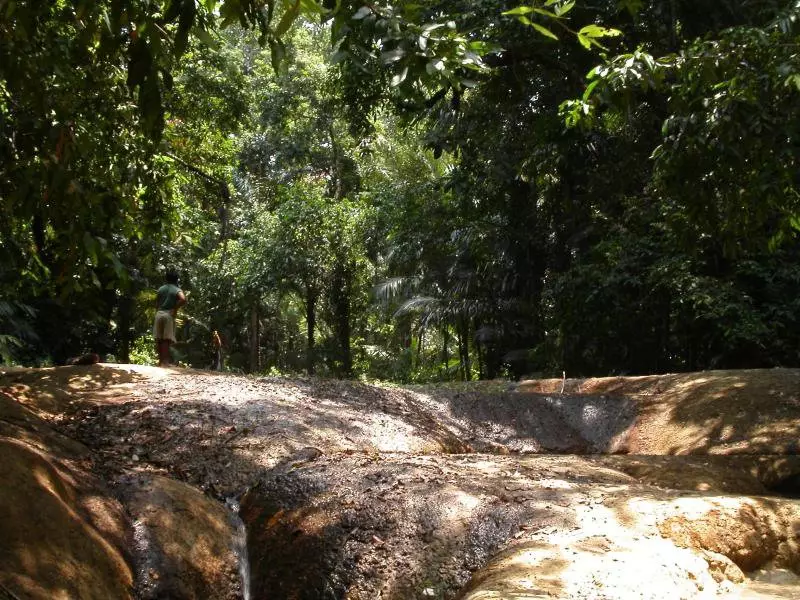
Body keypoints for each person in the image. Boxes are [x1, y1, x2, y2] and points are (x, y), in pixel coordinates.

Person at [153, 270, 186, 367]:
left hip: (159, 313)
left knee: (159, 338)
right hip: (168, 314)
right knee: (166, 339)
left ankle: (160, 362)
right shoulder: (176, 289)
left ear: (166, 278)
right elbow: (183, 299)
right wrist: (175, 309)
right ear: (176, 279)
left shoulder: (161, 289)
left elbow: (157, 303)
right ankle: (165, 362)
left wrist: (158, 311)